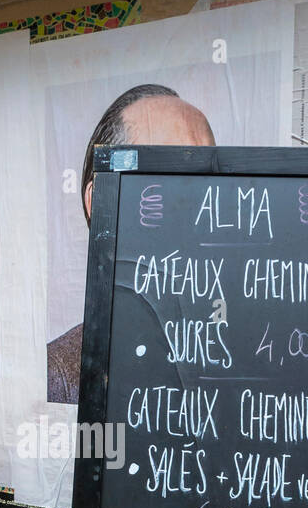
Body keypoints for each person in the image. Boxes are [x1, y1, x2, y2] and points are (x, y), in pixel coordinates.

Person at [47, 84, 216, 404]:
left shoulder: (246, 360)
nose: (202, 201)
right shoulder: (63, 376)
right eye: (172, 175)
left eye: (210, 177)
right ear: (102, 203)